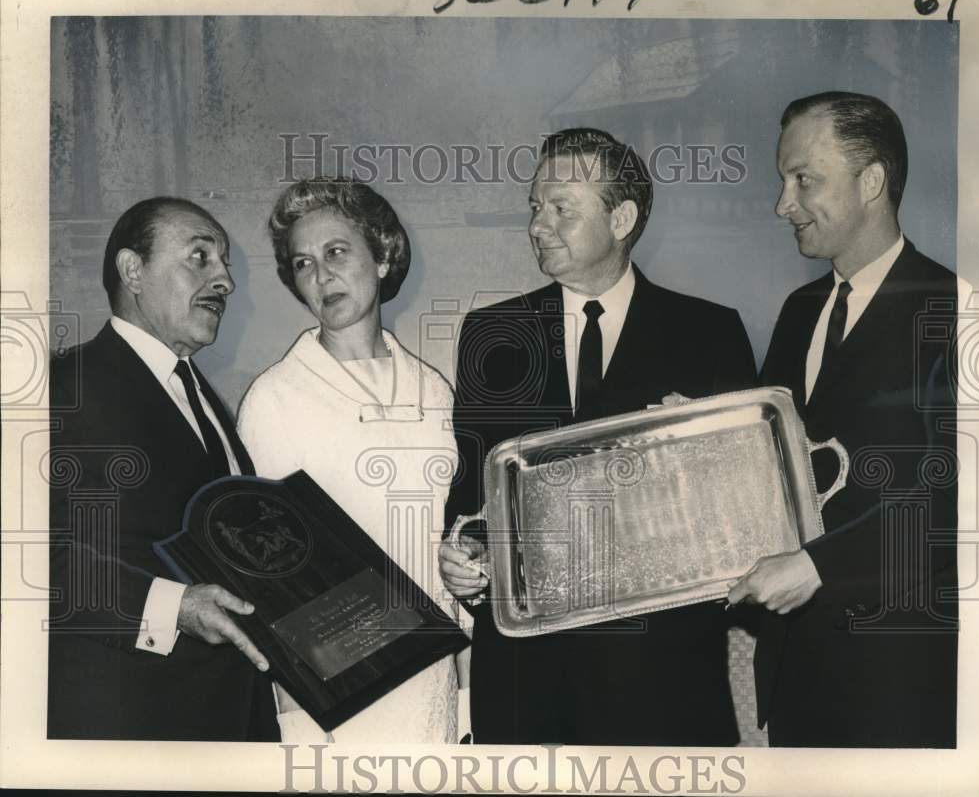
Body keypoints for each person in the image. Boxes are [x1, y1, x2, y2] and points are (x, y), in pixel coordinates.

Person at [438, 128, 758, 745]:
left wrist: (696, 462)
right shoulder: (491, 333)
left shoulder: (710, 333)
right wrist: (465, 555)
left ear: (622, 217)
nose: (537, 224)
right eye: (535, 206)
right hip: (527, 677)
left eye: (560, 208)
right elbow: (472, 491)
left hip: (662, 681)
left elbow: (742, 512)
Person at [728, 92, 958, 747]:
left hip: (906, 687)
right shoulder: (800, 310)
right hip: (799, 678)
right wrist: (714, 437)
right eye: (783, 181)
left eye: (803, 179)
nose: (783, 203)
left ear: (873, 181)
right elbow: (779, 463)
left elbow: (963, 498)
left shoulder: (958, 310)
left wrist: (819, 565)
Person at [237, 177, 462, 743]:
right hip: (333, 698)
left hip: (434, 683)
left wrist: (466, 698)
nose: (320, 275)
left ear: (382, 255)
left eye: (336, 252)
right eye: (303, 264)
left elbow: (453, 553)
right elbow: (271, 585)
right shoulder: (274, 400)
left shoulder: (435, 391)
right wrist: (299, 729)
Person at [48, 198, 278, 741]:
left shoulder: (202, 395)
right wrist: (174, 607)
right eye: (200, 256)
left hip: (231, 726)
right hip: (129, 729)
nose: (225, 280)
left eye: (224, 264)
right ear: (133, 271)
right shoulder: (63, 389)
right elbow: (27, 560)